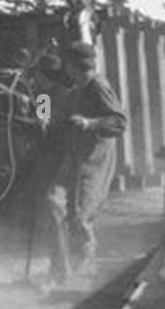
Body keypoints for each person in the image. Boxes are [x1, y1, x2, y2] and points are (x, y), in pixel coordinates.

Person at [31, 41, 127, 286]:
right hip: (73, 156)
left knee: (81, 218)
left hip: (93, 160)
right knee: (53, 202)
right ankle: (60, 270)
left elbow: (118, 122)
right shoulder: (74, 89)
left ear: (74, 67)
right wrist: (46, 120)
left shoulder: (98, 86)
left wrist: (89, 123)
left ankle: (81, 274)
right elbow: (59, 118)